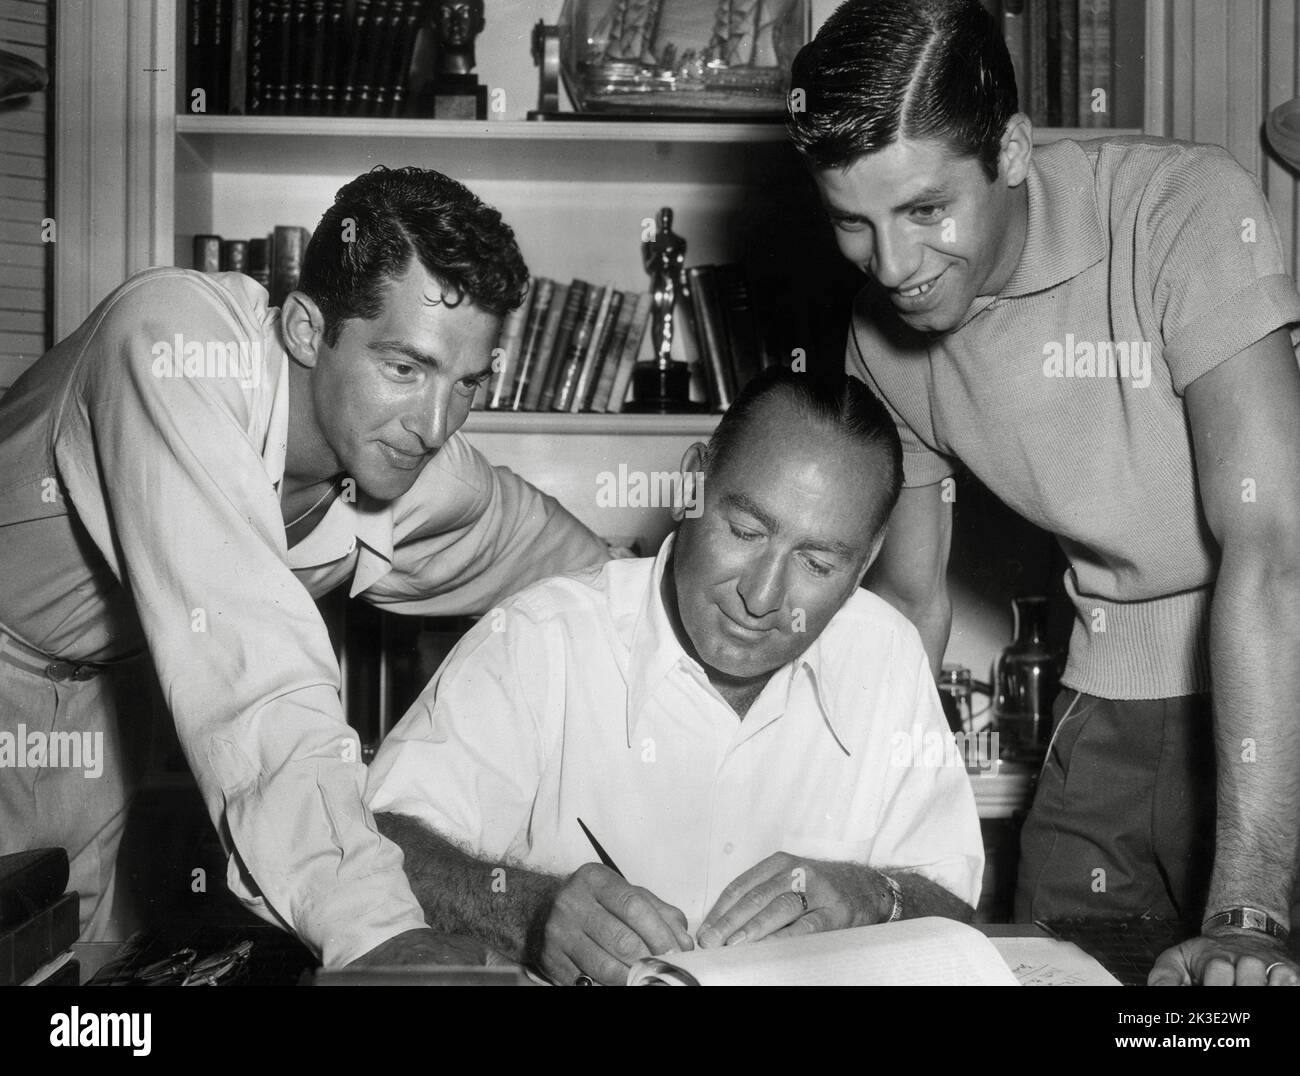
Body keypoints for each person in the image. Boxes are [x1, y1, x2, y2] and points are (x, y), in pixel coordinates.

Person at [788, 0, 1300, 986]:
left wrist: (1248, 910)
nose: (892, 266)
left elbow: (1274, 549)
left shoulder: (1182, 205)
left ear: (1013, 149)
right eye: (854, 222)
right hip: (1097, 694)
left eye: (926, 209)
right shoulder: (878, 341)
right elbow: (907, 608)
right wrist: (846, 853)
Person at [0, 166, 609, 968]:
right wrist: (380, 933)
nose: (433, 425)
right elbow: (255, 667)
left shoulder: (418, 466)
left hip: (106, 724)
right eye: (405, 368)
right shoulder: (169, 341)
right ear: (303, 328)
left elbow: (579, 570)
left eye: (466, 384)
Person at [365, 367, 984, 986]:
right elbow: (374, 843)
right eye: (745, 531)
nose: (762, 596)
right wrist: (528, 910)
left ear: (866, 560)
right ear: (692, 484)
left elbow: (952, 905)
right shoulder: (540, 638)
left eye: (818, 562)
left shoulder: (887, 654)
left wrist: (878, 897)